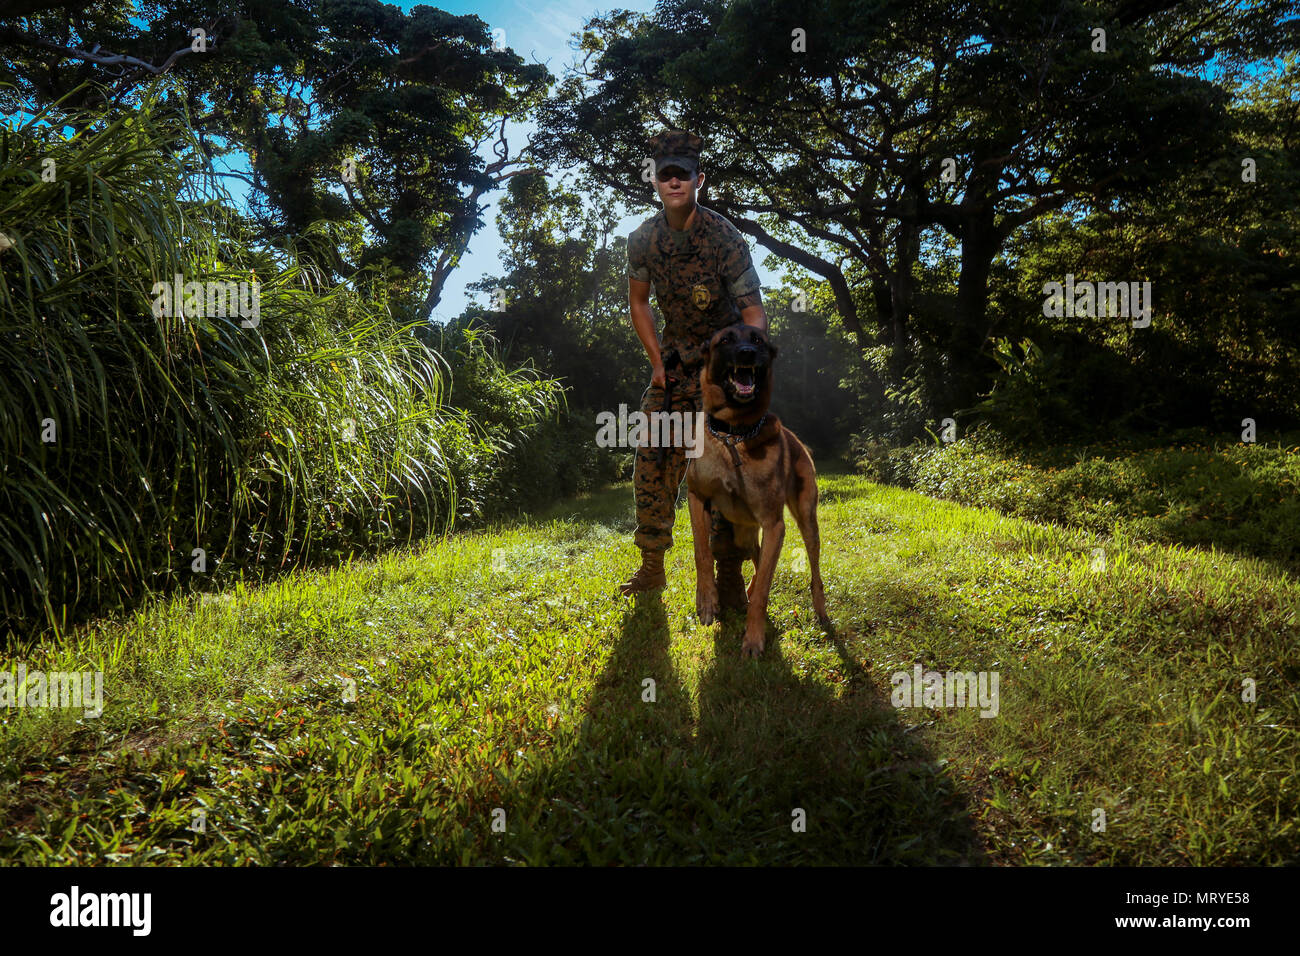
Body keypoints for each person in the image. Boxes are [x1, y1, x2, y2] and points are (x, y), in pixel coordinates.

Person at [618, 129, 768, 605]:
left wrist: (744, 369)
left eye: (683, 174)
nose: (674, 182)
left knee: (725, 471)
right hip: (676, 368)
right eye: (666, 174)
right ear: (655, 181)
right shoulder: (643, 240)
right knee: (652, 457)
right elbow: (639, 303)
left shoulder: (724, 237)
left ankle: (729, 574)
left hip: (722, 371)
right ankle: (652, 566)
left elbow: (753, 313)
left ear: (698, 179)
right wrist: (656, 362)